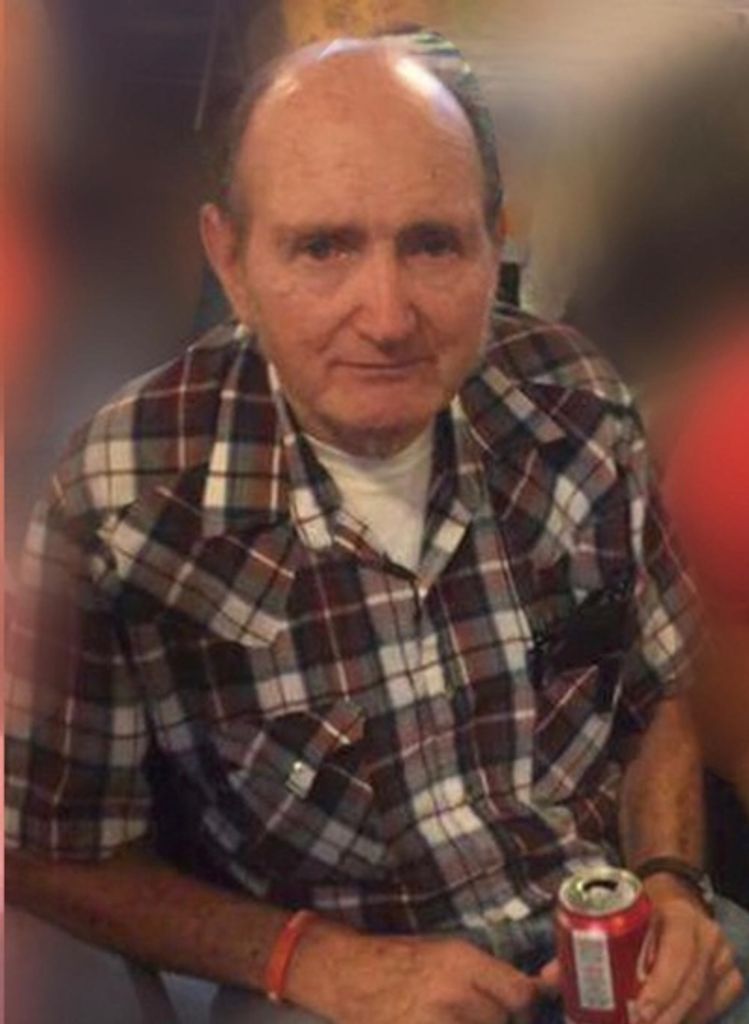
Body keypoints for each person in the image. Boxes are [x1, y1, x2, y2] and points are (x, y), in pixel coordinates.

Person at [5, 32, 749, 1024]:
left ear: (492, 240)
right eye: (323, 248)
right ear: (230, 258)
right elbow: (44, 851)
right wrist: (308, 958)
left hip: (599, 929)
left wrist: (669, 883)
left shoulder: (577, 403)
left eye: (432, 243)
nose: (388, 316)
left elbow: (654, 691)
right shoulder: (122, 500)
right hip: (324, 987)